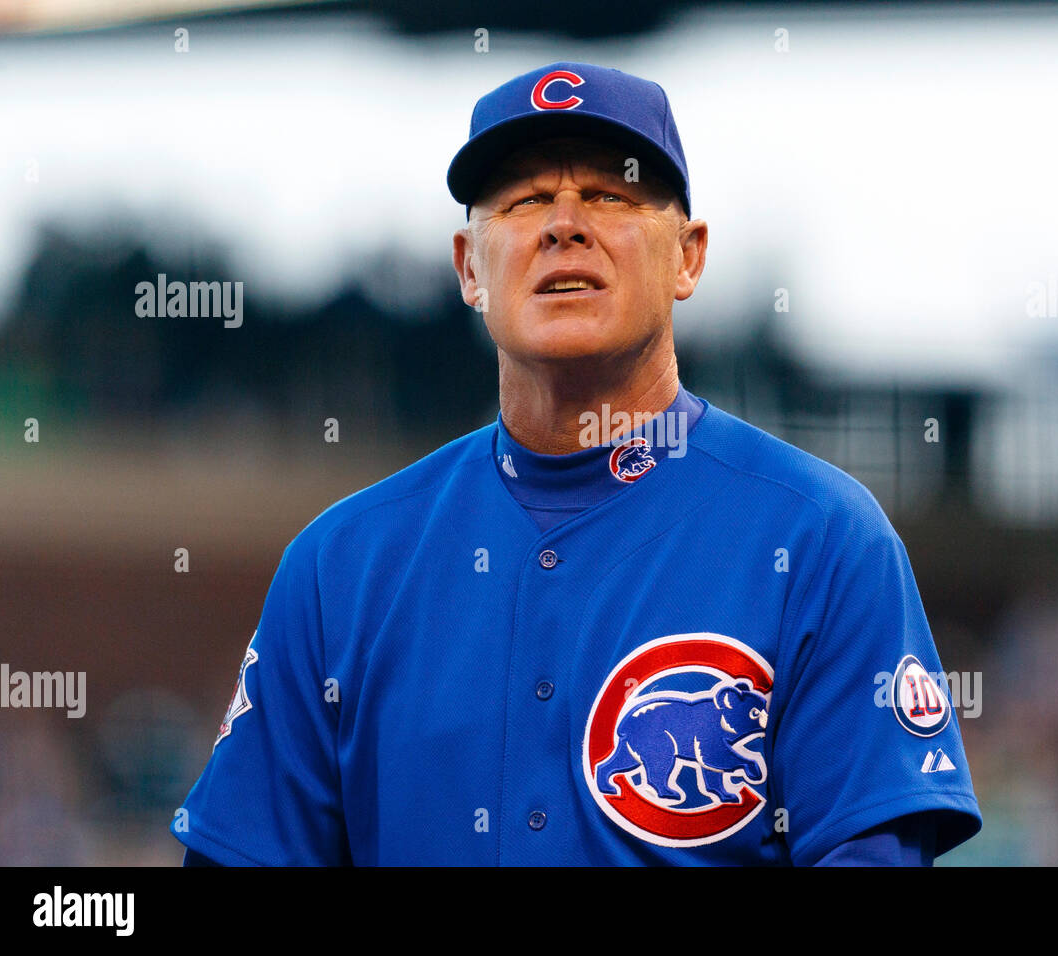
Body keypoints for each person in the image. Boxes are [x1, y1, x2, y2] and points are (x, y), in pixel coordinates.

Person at [172, 61, 980, 866]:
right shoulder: (341, 564)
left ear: (688, 257)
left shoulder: (823, 540)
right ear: (467, 268)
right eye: (524, 201)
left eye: (610, 196)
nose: (565, 224)